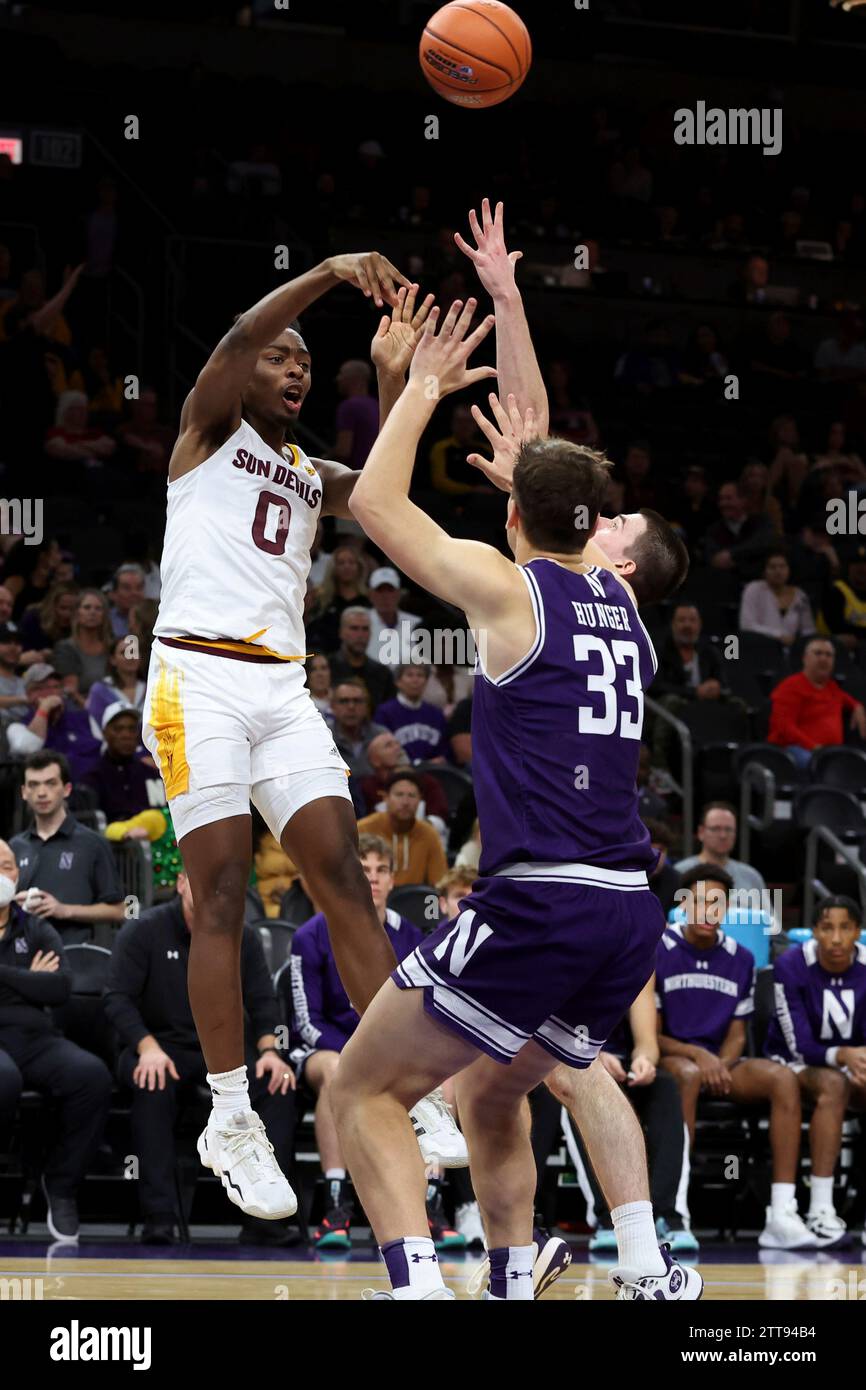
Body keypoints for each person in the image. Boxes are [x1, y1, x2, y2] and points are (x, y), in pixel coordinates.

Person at [335, 205, 695, 1303]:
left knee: (360, 1089)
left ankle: (414, 1288)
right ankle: (529, 1274)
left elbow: (370, 502)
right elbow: (541, 445)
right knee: (499, 1090)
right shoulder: (615, 606)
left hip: (537, 896)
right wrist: (505, 296)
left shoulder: (513, 588)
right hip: (623, 906)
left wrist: (419, 391)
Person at [140, 253, 463, 1223]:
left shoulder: (308, 468)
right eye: (278, 358)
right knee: (223, 894)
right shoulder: (204, 432)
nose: (291, 370)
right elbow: (239, 335)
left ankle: (407, 1086)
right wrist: (326, 272)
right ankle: (230, 1113)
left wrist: (402, 378)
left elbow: (383, 495)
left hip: (279, 685)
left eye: (306, 364)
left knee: (341, 882)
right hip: (194, 676)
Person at [104, 871, 297, 1246]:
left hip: (224, 1054)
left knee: (279, 1085)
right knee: (152, 1083)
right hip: (161, 1047)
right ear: (180, 884)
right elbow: (116, 997)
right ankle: (160, 1218)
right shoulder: (144, 930)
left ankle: (266, 1219)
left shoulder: (243, 935)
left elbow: (262, 1000)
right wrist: (145, 1047)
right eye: (198, 880)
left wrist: (271, 1051)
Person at [656, 866, 825, 1249]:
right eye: (698, 901)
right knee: (687, 1074)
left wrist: (723, 1062)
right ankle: (673, 1211)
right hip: (672, 1059)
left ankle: (782, 1213)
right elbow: (651, 1035)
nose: (706, 910)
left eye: (716, 903)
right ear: (683, 905)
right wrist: (700, 1057)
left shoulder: (742, 958)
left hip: (721, 1064)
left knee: (782, 1078)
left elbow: (736, 1033)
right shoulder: (658, 948)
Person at [288, 835, 424, 1248]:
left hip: (391, 1048)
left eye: (382, 870)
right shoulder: (310, 934)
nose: (374, 879)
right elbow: (305, 1019)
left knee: (440, 1077)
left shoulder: (411, 934)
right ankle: (335, 1201)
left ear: (393, 879)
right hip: (326, 1048)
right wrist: (360, 1054)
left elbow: (421, 1011)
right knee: (337, 1071)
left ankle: (429, 1204)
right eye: (365, 870)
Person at [0, 837, 112, 1243]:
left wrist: (7, 978)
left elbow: (61, 988)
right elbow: (42, 985)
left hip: (35, 1035)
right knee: (4, 1080)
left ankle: (61, 1185)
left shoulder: (36, 927)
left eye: (9, 866)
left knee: (92, 1077)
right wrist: (30, 979)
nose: (3, 874)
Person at [559, 976, 695, 1254]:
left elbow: (647, 1041)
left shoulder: (636, 953)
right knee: (580, 1090)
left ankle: (665, 1215)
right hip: (567, 1063)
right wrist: (593, 1058)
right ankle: (605, 1218)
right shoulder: (563, 948)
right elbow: (553, 1032)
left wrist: (645, 1060)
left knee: (666, 1088)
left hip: (621, 1065)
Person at [764, 894, 866, 1248]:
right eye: (826, 928)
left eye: (845, 928)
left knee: (843, 1082)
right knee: (834, 1084)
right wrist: (845, 1055)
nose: (836, 939)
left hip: (851, 1065)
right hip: (793, 1064)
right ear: (813, 933)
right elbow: (799, 1045)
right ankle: (820, 1210)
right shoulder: (791, 964)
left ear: (858, 931)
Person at [10, 751, 125, 944]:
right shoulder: (14, 847)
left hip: (77, 961)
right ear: (23, 792)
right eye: (33, 784)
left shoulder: (93, 843)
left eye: (51, 783)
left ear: (67, 789)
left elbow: (127, 909)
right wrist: (12, 905)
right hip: (23, 962)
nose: (41, 792)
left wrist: (64, 910)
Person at [767, 636, 866, 768]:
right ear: (805, 659)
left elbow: (845, 698)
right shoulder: (790, 686)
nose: (824, 658)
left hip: (830, 752)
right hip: (797, 750)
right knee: (819, 765)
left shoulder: (831, 687)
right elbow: (784, 727)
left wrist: (857, 706)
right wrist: (814, 747)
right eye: (818, 653)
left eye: (829, 655)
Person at [6, 664, 102, 781]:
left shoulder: (84, 718)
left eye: (55, 687)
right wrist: (44, 709)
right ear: (28, 695)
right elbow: (29, 747)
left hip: (91, 790)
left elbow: (106, 751)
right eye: (39, 688)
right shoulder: (18, 726)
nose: (49, 693)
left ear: (62, 692)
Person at [357, 770, 448, 888]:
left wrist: (432, 906)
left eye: (412, 795)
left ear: (420, 800)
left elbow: (439, 884)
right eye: (399, 795)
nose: (405, 802)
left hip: (415, 903)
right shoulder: (363, 829)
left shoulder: (429, 834)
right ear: (385, 797)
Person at [83, 705, 165, 823]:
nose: (126, 735)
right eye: (118, 729)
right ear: (105, 733)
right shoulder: (92, 778)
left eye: (132, 729)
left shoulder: (151, 774)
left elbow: (163, 814)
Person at [674, 801, 767, 897]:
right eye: (715, 829)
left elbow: (768, 911)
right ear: (701, 832)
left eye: (729, 829)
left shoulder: (751, 876)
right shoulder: (680, 872)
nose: (723, 835)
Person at [357, 731, 449, 820]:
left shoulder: (426, 781)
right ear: (375, 760)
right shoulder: (366, 787)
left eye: (397, 744)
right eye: (388, 745)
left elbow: (439, 817)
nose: (398, 748)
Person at [739, 549, 815, 646]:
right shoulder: (753, 589)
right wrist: (779, 636)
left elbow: (808, 630)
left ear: (789, 569)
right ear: (764, 571)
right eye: (772, 567)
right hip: (759, 647)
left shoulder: (800, 595)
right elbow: (747, 625)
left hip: (790, 651)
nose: (778, 571)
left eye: (782, 566)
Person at [374, 663, 448, 763]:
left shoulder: (436, 714)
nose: (415, 680)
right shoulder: (384, 712)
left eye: (420, 675)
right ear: (398, 681)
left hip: (433, 772)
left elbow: (444, 750)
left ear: (426, 681)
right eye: (409, 675)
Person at [327, 606, 394, 711]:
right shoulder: (326, 668)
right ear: (341, 632)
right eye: (354, 628)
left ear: (370, 634)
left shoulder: (382, 673)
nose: (360, 635)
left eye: (365, 629)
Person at [52, 588, 113, 700]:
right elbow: (71, 691)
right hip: (80, 709)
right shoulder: (65, 648)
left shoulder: (112, 648)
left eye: (98, 608)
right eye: (87, 607)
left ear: (104, 615)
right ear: (77, 613)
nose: (92, 612)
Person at [85, 633, 147, 740]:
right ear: (112, 659)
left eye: (134, 652)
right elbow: (96, 728)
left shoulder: (152, 689)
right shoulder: (100, 690)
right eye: (124, 653)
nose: (131, 657)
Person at [330, 679, 387, 781]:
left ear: (367, 706)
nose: (351, 707)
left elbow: (402, 770)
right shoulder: (324, 737)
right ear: (333, 706)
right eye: (344, 701)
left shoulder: (382, 736)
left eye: (357, 701)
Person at [364, 567, 422, 668]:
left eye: (390, 590)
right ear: (370, 594)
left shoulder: (416, 624)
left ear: (399, 593)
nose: (385, 596)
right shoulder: (362, 623)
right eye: (380, 590)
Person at [332, 358, 380, 471]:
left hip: (357, 478)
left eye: (341, 374)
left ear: (354, 379)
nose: (338, 379)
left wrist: (322, 460)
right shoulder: (377, 405)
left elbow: (343, 451)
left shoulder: (349, 406)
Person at [819, 547, 866, 647]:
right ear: (848, 567)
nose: (863, 568)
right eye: (857, 564)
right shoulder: (836, 590)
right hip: (831, 649)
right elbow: (837, 627)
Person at [107, 565, 146, 640]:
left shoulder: (156, 619)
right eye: (127, 588)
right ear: (114, 593)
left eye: (139, 587)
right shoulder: (105, 620)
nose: (134, 593)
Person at [0, 621, 27, 724]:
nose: (13, 647)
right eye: (6, 641)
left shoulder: (26, 683)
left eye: (17, 642)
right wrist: (24, 700)